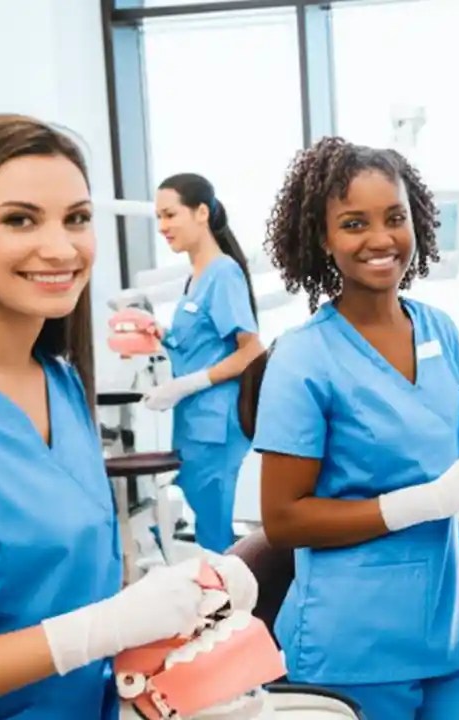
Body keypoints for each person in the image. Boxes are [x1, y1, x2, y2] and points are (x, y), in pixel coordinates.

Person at [0, 114, 233, 718]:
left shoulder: (60, 383)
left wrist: (162, 638)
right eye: (19, 220)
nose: (62, 248)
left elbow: (67, 594)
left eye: (77, 218)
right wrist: (97, 631)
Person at [251, 136, 459, 720]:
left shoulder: (440, 330)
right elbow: (283, 520)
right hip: (353, 643)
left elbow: (452, 453)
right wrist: (426, 501)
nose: (381, 239)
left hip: (449, 629)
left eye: (395, 218)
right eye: (354, 224)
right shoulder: (304, 357)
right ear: (323, 237)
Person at [145, 173, 265, 552]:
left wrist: (185, 385)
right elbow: (200, 344)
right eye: (158, 218)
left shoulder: (222, 273)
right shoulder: (194, 278)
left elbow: (251, 350)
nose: (162, 227)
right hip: (194, 425)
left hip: (217, 427)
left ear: (201, 213)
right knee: (202, 535)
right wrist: (161, 334)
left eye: (170, 215)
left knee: (218, 544)